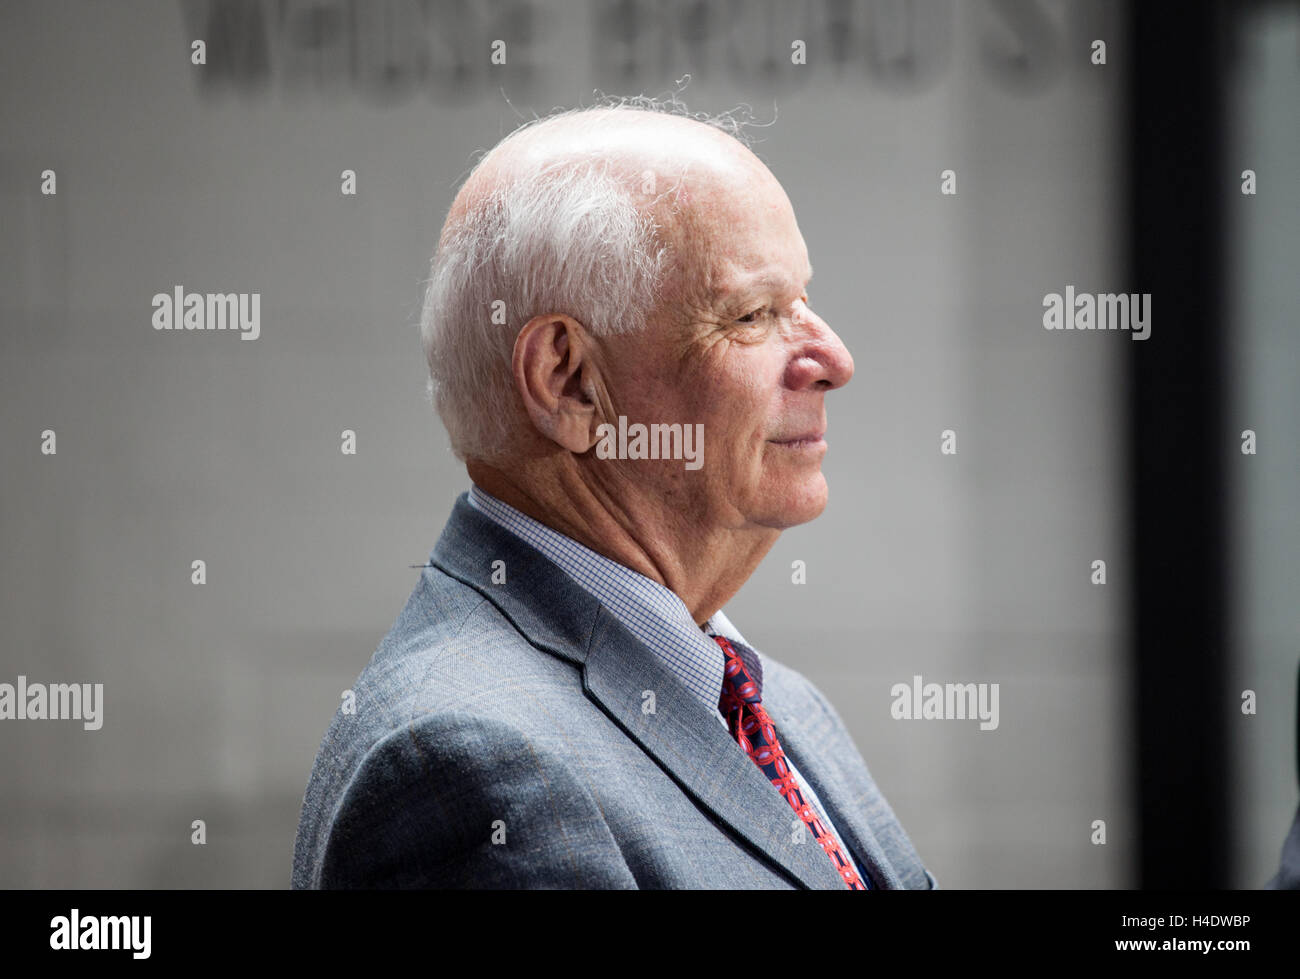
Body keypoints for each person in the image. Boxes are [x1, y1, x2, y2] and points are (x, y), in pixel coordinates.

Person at [292, 98, 935, 889]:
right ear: (567, 381)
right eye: (753, 313)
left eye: (802, 301)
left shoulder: (779, 706)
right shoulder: (471, 763)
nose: (833, 357)